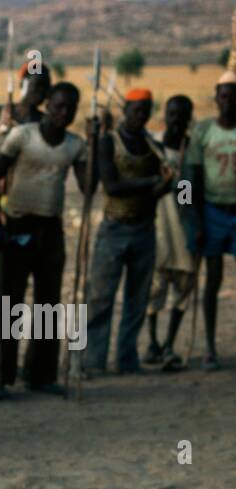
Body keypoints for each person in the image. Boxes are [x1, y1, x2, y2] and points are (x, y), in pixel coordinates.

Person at [0, 81, 88, 396]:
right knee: (8, 302)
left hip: (50, 228)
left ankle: (40, 375)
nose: (64, 113)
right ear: (48, 104)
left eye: (70, 108)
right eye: (58, 106)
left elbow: (89, 188)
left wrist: (96, 144)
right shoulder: (22, 136)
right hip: (17, 225)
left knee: (48, 304)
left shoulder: (76, 144)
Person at [85, 90, 175, 376]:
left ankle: (127, 358)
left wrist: (168, 185)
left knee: (137, 300)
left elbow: (158, 192)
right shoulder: (108, 141)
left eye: (146, 111)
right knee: (101, 298)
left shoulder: (151, 145)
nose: (142, 116)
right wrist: (152, 181)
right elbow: (111, 186)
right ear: (126, 110)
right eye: (137, 110)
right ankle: (93, 360)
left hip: (144, 228)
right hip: (114, 227)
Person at [182, 67, 236, 371]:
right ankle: (211, 348)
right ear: (216, 98)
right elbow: (188, 179)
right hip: (212, 212)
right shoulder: (203, 132)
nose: (228, 102)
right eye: (224, 96)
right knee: (212, 280)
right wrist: (193, 219)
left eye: (233, 97)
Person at [145, 96, 195, 372]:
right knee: (155, 286)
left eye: (181, 115)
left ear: (189, 118)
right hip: (159, 225)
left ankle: (169, 343)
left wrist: (181, 183)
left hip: (184, 228)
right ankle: (152, 342)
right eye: (171, 114)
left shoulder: (192, 150)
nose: (175, 120)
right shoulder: (154, 146)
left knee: (184, 284)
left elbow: (187, 197)